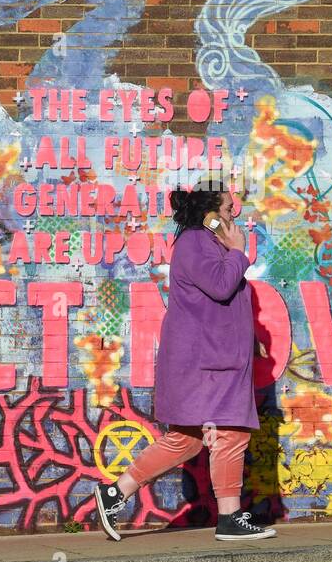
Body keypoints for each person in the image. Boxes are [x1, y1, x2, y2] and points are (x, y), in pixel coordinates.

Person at [93, 183, 275, 542]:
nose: (233, 214)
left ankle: (115, 493)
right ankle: (229, 518)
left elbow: (218, 303)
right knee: (232, 431)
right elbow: (222, 286)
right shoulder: (196, 243)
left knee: (187, 440)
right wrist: (239, 253)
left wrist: (250, 339)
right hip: (206, 362)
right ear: (209, 215)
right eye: (227, 208)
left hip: (213, 358)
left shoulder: (208, 245)